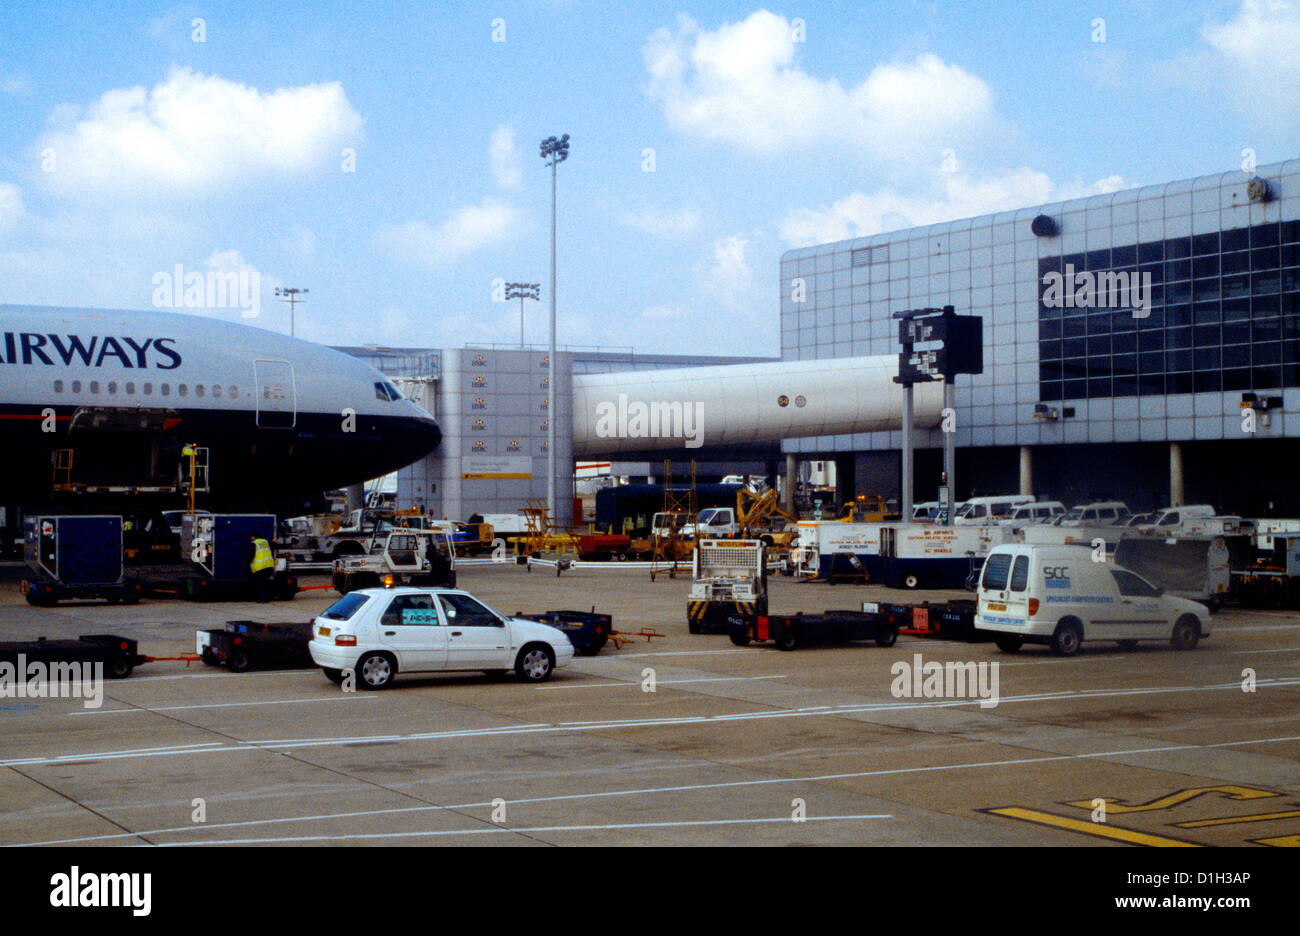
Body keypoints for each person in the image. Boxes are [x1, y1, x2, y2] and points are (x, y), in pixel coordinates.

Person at [246, 533, 275, 602]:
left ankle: (263, 599)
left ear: (253, 537)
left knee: (260, 584)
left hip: (260, 566)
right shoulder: (266, 541)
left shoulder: (254, 543)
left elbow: (251, 555)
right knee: (265, 582)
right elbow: (275, 545)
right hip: (269, 565)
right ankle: (265, 597)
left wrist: (246, 563)